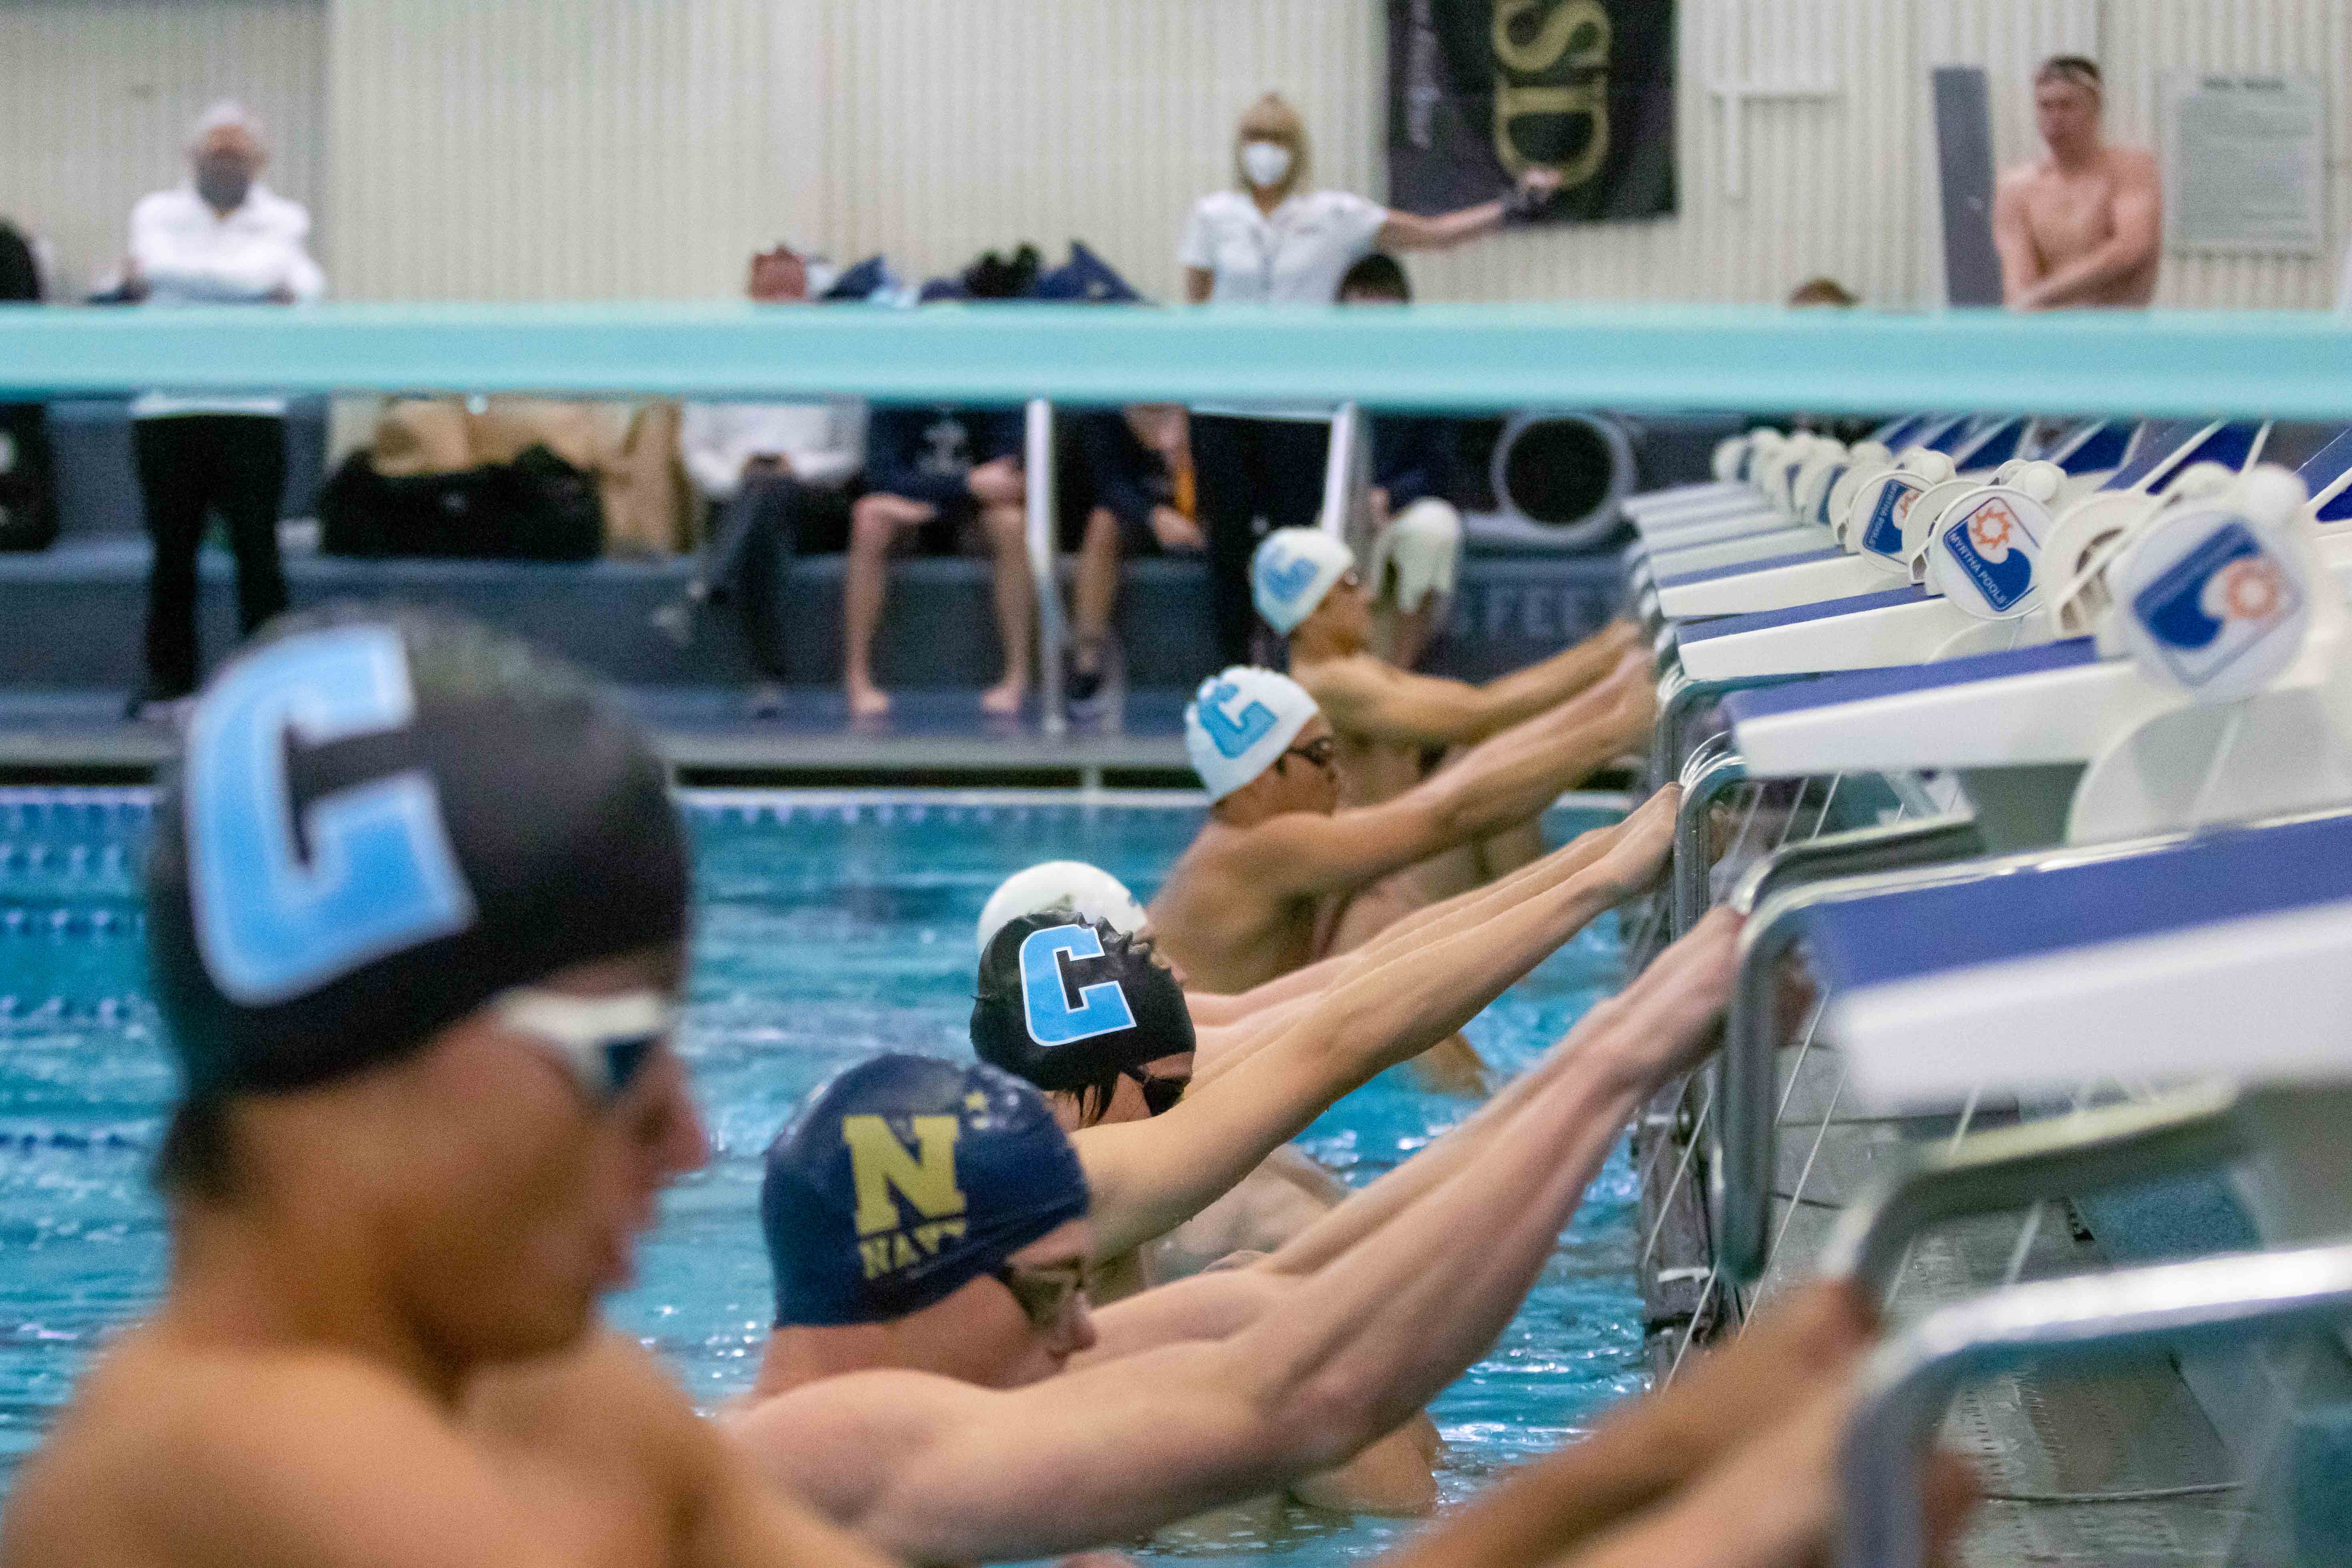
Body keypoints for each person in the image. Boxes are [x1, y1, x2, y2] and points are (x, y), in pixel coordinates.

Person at [0, 606, 894, 1568]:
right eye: (618, 1053)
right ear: (362, 1054)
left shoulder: (564, 1405)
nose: (687, 1138)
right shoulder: (204, 1466)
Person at [725, 907, 1748, 1562]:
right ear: (910, 1282)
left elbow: (1298, 1292)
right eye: (1044, 1292)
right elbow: (1304, 1395)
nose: (1080, 1328)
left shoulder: (957, 1391)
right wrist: (1612, 1064)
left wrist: (1608, 1059)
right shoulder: (814, 1455)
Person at [1179, 92, 1561, 667]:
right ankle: (1232, 667)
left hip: (1300, 410)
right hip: (1221, 406)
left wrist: (1511, 208)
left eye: (1278, 141)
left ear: (1297, 150)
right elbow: (1195, 312)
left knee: (1299, 549)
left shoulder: (1334, 216)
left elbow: (1434, 234)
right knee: (1228, 545)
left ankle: (1296, 670)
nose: (1266, 153)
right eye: (1256, 140)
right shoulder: (1212, 216)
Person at [1149, 659, 1652, 994]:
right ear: (1260, 776)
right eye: (1320, 755)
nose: (1337, 773)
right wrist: (1613, 733)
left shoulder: (1251, 845)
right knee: (1378, 927)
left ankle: (1484, 1092)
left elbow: (1460, 782)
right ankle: (1479, 1098)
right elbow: (1448, 813)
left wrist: (1608, 699)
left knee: (1380, 924)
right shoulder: (1262, 851)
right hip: (1180, 1091)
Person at [1252, 526, 1642, 943]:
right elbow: (1478, 714)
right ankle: (1543, 942)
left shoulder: (1353, 668)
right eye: (1349, 584)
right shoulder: (1330, 683)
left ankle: (1545, 936)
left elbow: (1477, 710)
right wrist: (1612, 657)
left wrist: (1613, 666)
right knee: (1490, 768)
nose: (1367, 596)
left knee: (1484, 761)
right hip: (1382, 889)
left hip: (1403, 862)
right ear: (1315, 610)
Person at [120, 100, 325, 722]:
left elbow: (295, 287)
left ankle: (271, 693)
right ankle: (170, 686)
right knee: (172, 555)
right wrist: (257, 287)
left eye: (237, 154)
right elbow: (254, 280)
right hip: (168, 407)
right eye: (216, 153)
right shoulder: (155, 213)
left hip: (251, 407)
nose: (226, 163)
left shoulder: (285, 218)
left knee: (258, 556)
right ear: (193, 158)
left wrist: (175, 282)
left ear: (259, 161)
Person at [677, 245, 866, 713]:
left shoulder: (837, 365)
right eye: (771, 291)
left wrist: (796, 467)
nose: (781, 302)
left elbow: (850, 456)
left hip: (813, 501)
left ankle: (710, 584)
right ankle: (768, 675)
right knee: (761, 512)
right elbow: (696, 452)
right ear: (751, 295)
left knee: (768, 495)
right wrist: (738, 475)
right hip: (735, 496)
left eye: (791, 291)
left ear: (808, 297)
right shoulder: (715, 363)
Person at [1331, 252, 1464, 670]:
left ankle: (1399, 676)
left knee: (1436, 530)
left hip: (1400, 506)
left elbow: (1441, 465)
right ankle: (1342, 675)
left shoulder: (1427, 377)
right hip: (1336, 508)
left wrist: (1390, 496)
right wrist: (1348, 499)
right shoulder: (1320, 375)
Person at [1992, 56, 2161, 311]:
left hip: (2120, 324)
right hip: (2051, 326)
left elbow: (2132, 248)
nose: (2055, 118)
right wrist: (2027, 305)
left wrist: (2041, 296)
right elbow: (2018, 280)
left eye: (2067, 106)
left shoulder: (2130, 169)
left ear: (2096, 108)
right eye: (2045, 106)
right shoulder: (2017, 188)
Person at [1066, 403, 1203, 708]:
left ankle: (1251, 655)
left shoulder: (1204, 408)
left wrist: (1181, 458)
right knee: (1103, 523)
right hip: (1139, 520)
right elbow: (1107, 485)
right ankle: (1087, 661)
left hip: (1203, 516)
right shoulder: (1105, 412)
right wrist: (1153, 515)